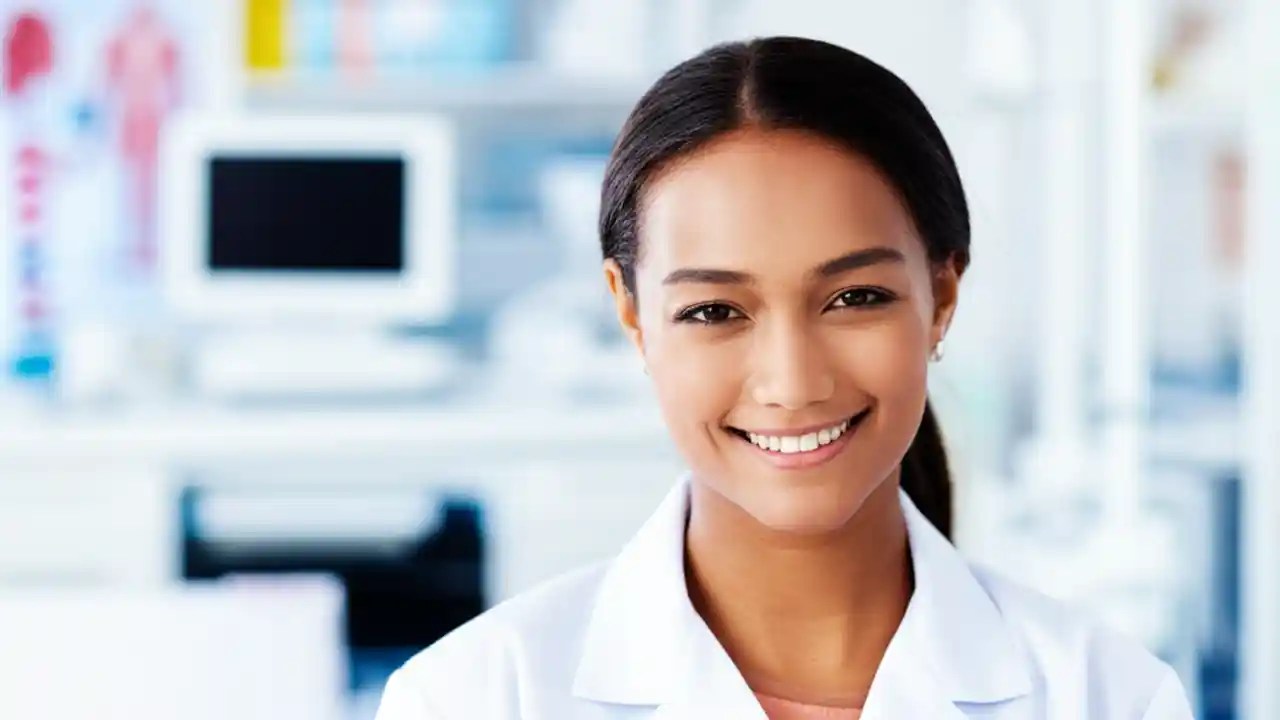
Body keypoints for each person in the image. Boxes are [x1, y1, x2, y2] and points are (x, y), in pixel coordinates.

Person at [375, 36, 1194, 719]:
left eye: (855, 298)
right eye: (714, 311)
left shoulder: (1108, 696)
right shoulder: (474, 697)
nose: (792, 382)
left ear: (941, 296)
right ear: (631, 315)